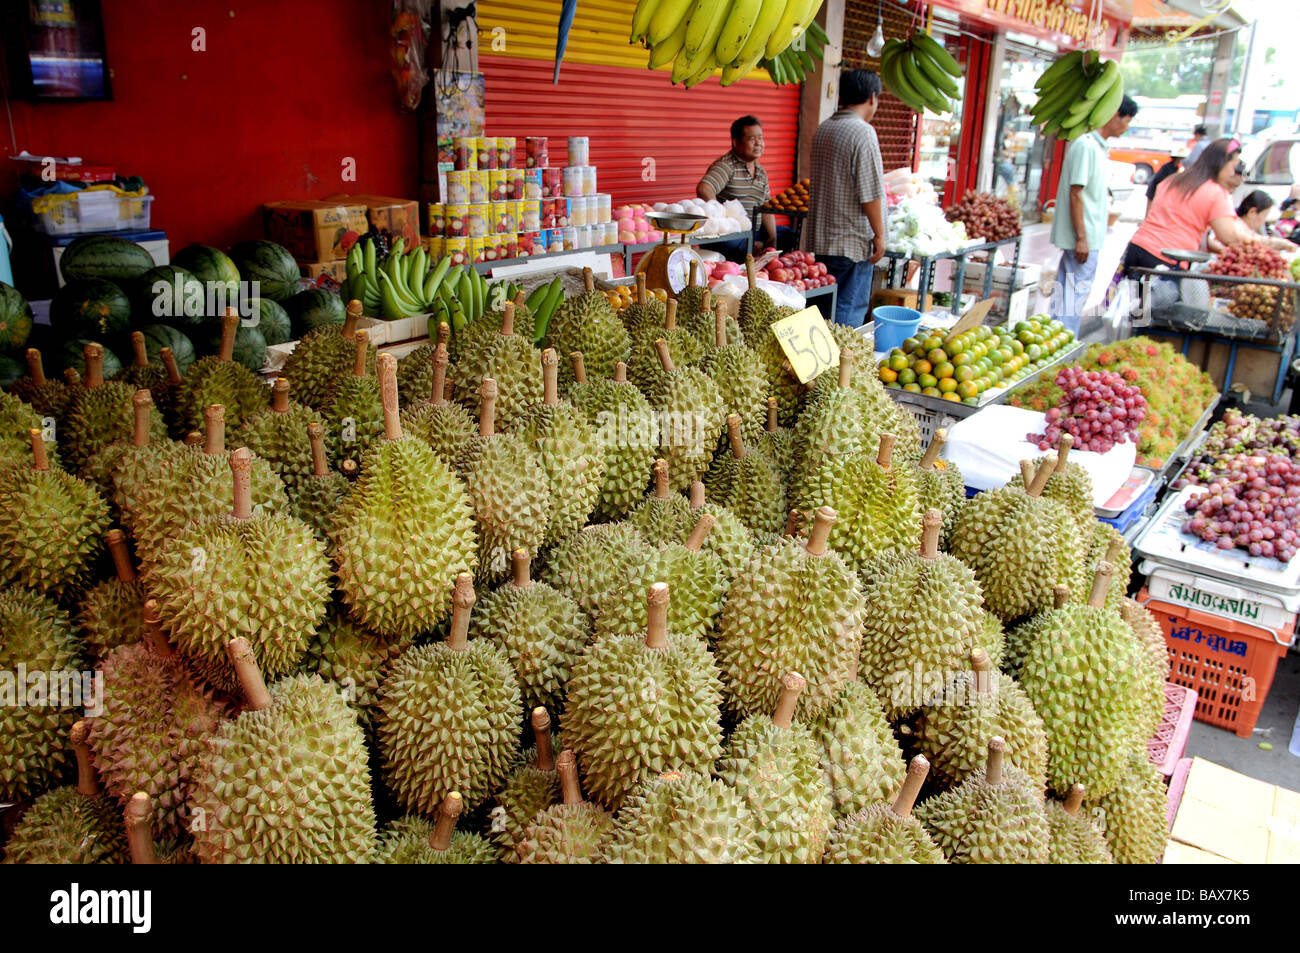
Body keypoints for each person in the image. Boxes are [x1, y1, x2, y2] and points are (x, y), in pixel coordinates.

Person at [1049, 95, 1139, 335]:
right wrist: (1082, 237)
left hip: (1089, 237)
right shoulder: (1086, 146)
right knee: (1073, 294)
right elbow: (1076, 193)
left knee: (1070, 293)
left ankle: (1057, 341)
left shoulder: (1097, 148)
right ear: (1113, 115)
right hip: (1083, 239)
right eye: (1127, 120)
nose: (1127, 127)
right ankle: (1063, 342)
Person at [803, 69, 886, 328]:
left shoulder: (825, 128)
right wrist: (880, 234)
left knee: (821, 313)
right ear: (872, 98)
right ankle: (841, 368)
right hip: (851, 244)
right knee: (846, 318)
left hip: (822, 241)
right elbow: (870, 193)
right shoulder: (863, 132)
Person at [1124, 138, 1251, 272]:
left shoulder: (1174, 180)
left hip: (1137, 248)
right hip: (1165, 260)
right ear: (1221, 163)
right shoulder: (1216, 192)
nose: (1232, 172)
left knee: (1136, 291)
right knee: (1148, 292)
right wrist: (1263, 243)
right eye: (1232, 166)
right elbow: (1229, 236)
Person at [697, 116, 780, 255]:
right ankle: (751, 247)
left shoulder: (760, 171)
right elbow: (704, 188)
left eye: (760, 138)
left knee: (788, 234)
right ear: (736, 142)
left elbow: (766, 206)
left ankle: (755, 246)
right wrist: (723, 220)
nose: (758, 143)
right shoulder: (726, 166)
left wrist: (772, 238)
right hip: (734, 235)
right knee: (734, 244)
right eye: (752, 139)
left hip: (755, 231)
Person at [1207, 190, 1296, 253]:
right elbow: (1252, 241)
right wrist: (1282, 244)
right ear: (1252, 212)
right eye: (1264, 215)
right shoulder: (1235, 226)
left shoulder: (1240, 225)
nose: (1264, 220)